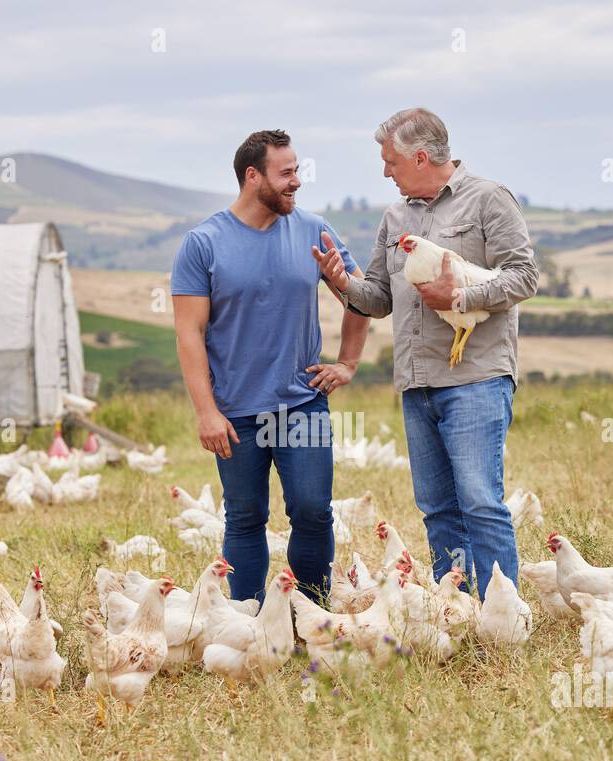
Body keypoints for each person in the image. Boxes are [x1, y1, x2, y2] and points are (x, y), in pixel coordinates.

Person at [314, 107, 539, 597]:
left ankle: (501, 612)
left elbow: (524, 276)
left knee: (480, 501)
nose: (385, 171)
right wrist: (340, 283)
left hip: (476, 378)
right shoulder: (395, 217)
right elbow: (377, 297)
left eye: (390, 161)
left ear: (419, 157)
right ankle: (455, 610)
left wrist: (460, 298)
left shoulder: (489, 200)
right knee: (437, 507)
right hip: (417, 384)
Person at [173, 129, 363, 603]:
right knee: (244, 516)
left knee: (314, 510)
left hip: (303, 404)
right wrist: (205, 411)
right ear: (252, 176)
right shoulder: (203, 243)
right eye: (287, 173)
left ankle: (311, 615)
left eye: (297, 171)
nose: (296, 182)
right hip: (234, 412)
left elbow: (363, 297)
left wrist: (348, 363)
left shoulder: (313, 230)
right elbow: (189, 334)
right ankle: (247, 617)